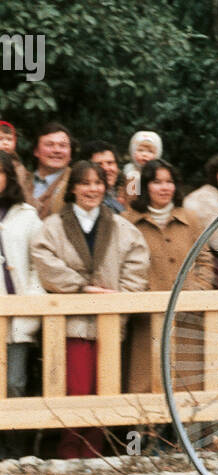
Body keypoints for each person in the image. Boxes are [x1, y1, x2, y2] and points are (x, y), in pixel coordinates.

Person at [30, 160, 149, 458]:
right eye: (84, 183)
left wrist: (121, 296)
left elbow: (137, 264)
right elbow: (44, 261)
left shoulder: (122, 226)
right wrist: (82, 287)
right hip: (72, 322)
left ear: (105, 187)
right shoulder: (54, 225)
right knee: (77, 387)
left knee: (104, 387)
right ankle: (70, 451)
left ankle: (94, 451)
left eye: (97, 183)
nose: (92, 189)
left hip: (110, 319)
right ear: (73, 188)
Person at [124, 159, 212, 396]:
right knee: (146, 382)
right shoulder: (128, 221)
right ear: (145, 186)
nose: (164, 188)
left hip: (187, 313)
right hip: (146, 316)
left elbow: (205, 259)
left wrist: (199, 289)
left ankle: (182, 433)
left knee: (187, 383)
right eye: (156, 182)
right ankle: (146, 433)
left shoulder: (190, 218)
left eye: (169, 182)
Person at [0, 151, 43, 451]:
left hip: (17, 315)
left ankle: (16, 451)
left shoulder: (27, 215)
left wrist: (31, 308)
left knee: (14, 384)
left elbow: (38, 268)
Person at [24, 122, 74, 219]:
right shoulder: (21, 181)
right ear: (36, 151)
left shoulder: (77, 183)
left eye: (62, 145)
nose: (56, 150)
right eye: (49, 145)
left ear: (70, 153)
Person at [80, 141, 127, 214]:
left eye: (110, 163)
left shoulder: (125, 190)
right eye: (99, 164)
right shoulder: (86, 201)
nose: (106, 168)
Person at [123, 131, 163, 200]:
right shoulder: (132, 172)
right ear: (133, 152)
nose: (144, 154)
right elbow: (131, 198)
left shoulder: (159, 171)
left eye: (150, 151)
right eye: (140, 150)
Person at [0, 120, 29, 197]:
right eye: (0, 139)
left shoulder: (18, 166)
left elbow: (22, 191)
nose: (5, 143)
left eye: (9, 139)